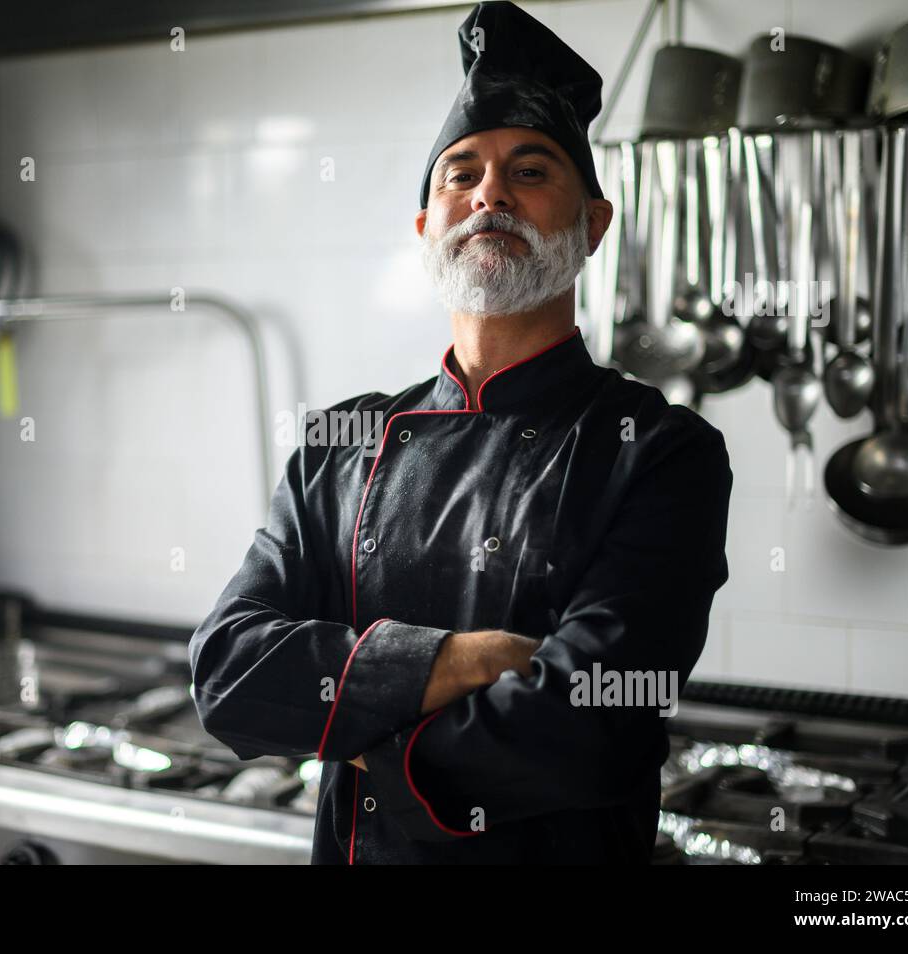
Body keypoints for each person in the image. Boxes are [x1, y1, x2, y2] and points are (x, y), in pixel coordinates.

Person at [189, 0, 733, 864]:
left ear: (592, 226)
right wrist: (457, 660)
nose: (489, 193)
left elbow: (595, 722)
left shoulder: (662, 452)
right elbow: (227, 670)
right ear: (426, 232)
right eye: (461, 173)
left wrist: (367, 741)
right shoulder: (341, 442)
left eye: (530, 170)